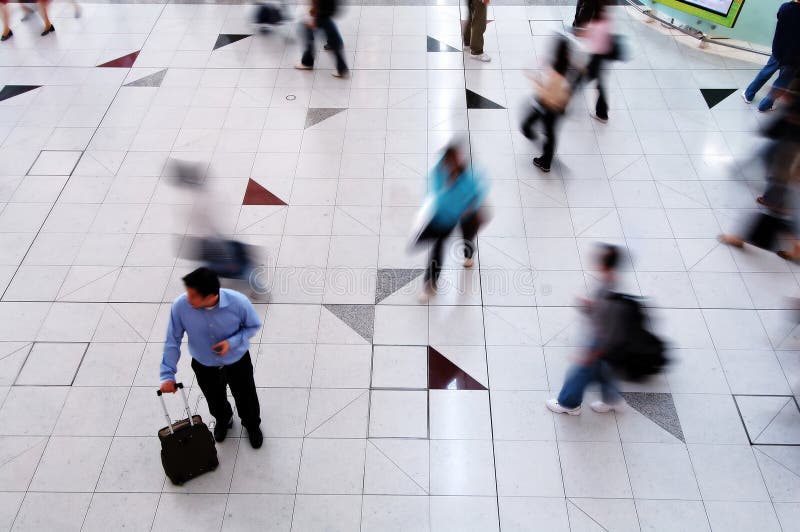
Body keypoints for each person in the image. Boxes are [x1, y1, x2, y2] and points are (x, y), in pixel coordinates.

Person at [159, 268, 264, 449]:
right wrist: (167, 375)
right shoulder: (180, 306)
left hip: (237, 361)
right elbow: (172, 340)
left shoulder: (238, 303)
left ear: (211, 296)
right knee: (214, 399)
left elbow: (252, 326)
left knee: (246, 397)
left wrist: (231, 342)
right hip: (204, 364)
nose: (187, 299)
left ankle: (252, 425)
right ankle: (224, 419)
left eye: (193, 295)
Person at [547, 244, 625, 415]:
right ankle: (612, 398)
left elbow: (607, 321)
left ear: (604, 264)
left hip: (600, 339)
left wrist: (594, 351)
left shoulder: (609, 289)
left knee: (581, 370)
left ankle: (569, 403)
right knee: (601, 368)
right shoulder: (611, 281)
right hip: (606, 338)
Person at [417, 144, 487, 300]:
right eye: (448, 162)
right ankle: (431, 284)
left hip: (465, 214)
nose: (450, 165)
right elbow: (433, 193)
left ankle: (469, 256)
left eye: (453, 161)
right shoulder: (439, 172)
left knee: (467, 238)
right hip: (445, 217)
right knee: (437, 249)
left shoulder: (468, 176)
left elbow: (478, 192)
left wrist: (469, 208)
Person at [521, 35, 573, 173]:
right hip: (556, 106)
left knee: (549, 133)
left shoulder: (557, 74)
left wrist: (535, 81)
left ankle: (546, 161)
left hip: (551, 107)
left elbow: (548, 96)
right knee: (546, 128)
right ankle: (528, 129)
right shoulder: (564, 66)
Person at [742, 0, 800, 112]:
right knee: (782, 82)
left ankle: (748, 94)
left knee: (765, 73)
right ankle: (765, 105)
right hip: (794, 57)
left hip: (779, 50)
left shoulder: (785, 7)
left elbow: (781, 20)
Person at [295, 0, 349, 78]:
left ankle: (308, 62)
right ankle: (308, 61)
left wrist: (310, 16)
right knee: (328, 29)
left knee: (311, 34)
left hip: (318, 11)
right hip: (321, 10)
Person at [580, 0, 612, 123]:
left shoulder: (596, 24)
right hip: (602, 56)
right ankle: (602, 113)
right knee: (599, 83)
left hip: (596, 56)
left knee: (582, 79)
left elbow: (584, 31)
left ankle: (602, 113)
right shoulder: (605, 21)